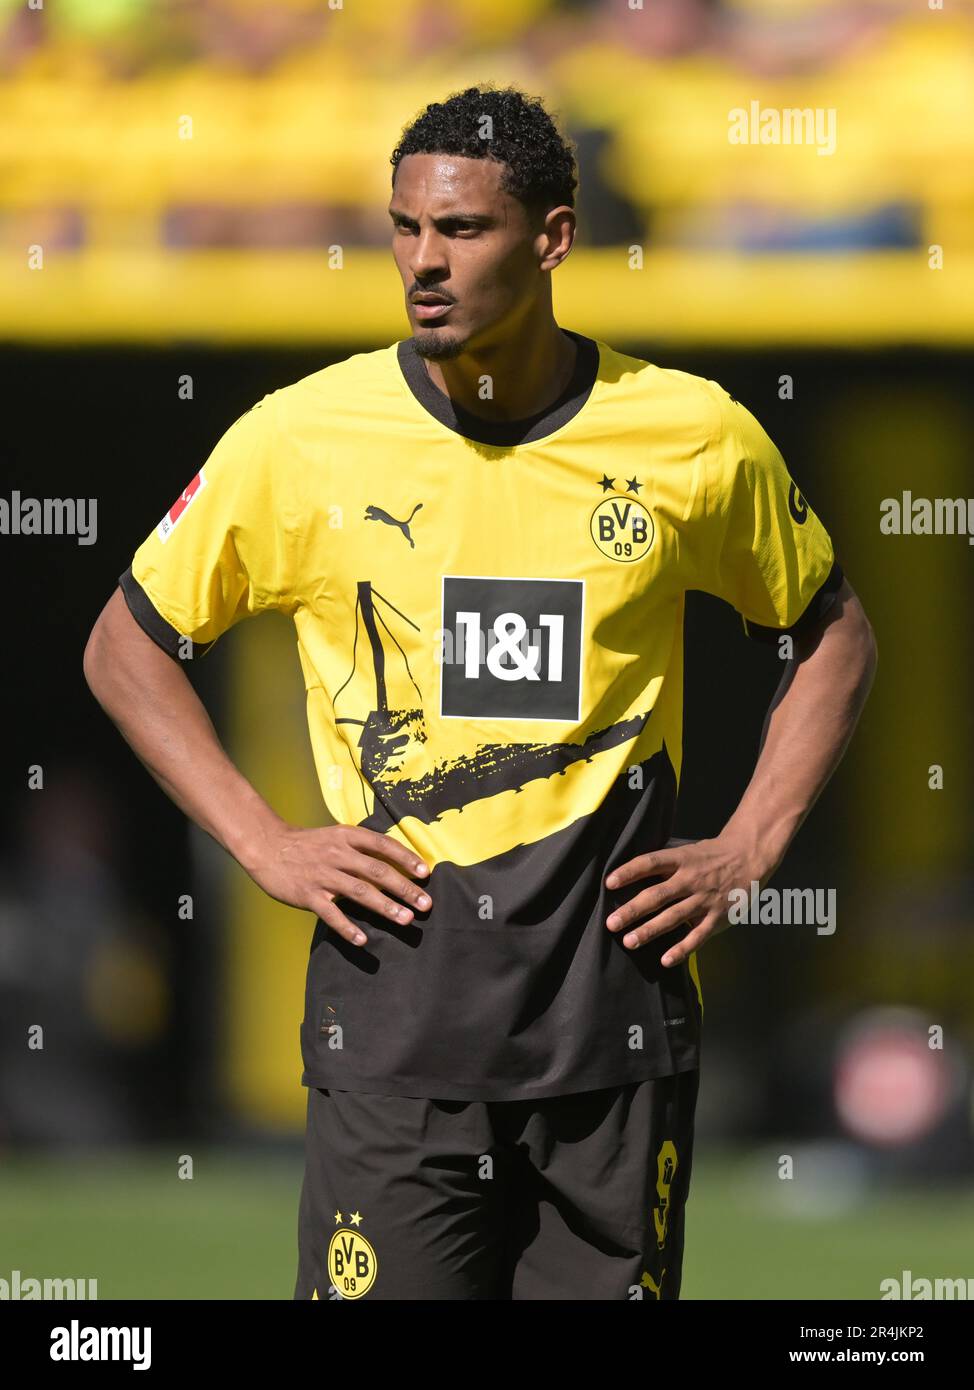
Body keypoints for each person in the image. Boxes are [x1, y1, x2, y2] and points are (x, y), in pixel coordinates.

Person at [83, 84, 877, 1300]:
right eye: (404, 228)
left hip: (610, 1027)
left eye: (461, 231)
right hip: (393, 1027)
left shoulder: (690, 438)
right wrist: (262, 842)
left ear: (551, 238)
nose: (422, 262)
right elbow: (125, 646)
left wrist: (749, 843)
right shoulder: (302, 438)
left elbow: (828, 629)